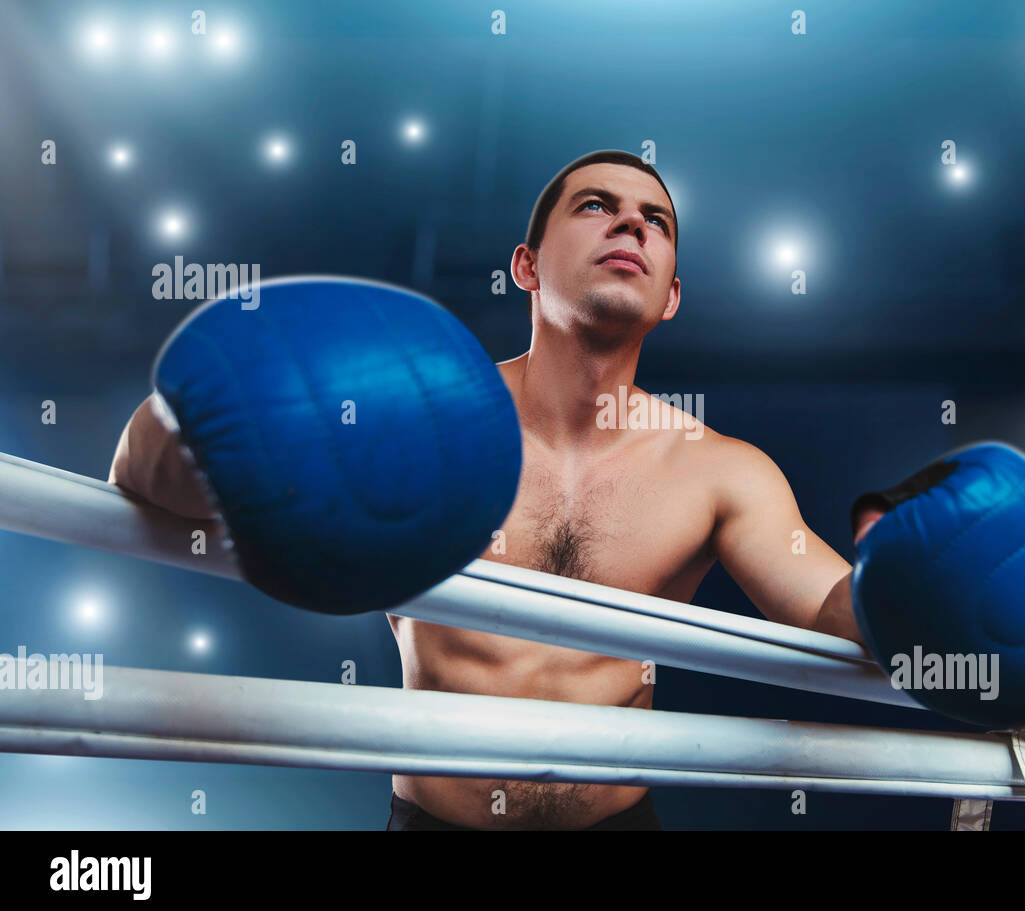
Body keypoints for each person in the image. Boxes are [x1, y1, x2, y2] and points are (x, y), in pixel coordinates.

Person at [109, 150, 866, 830]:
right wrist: (200, 415)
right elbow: (145, 486)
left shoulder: (720, 469)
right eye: (596, 206)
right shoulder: (414, 418)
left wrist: (934, 586)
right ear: (527, 265)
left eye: (656, 222)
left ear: (670, 296)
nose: (631, 224)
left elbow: (834, 609)